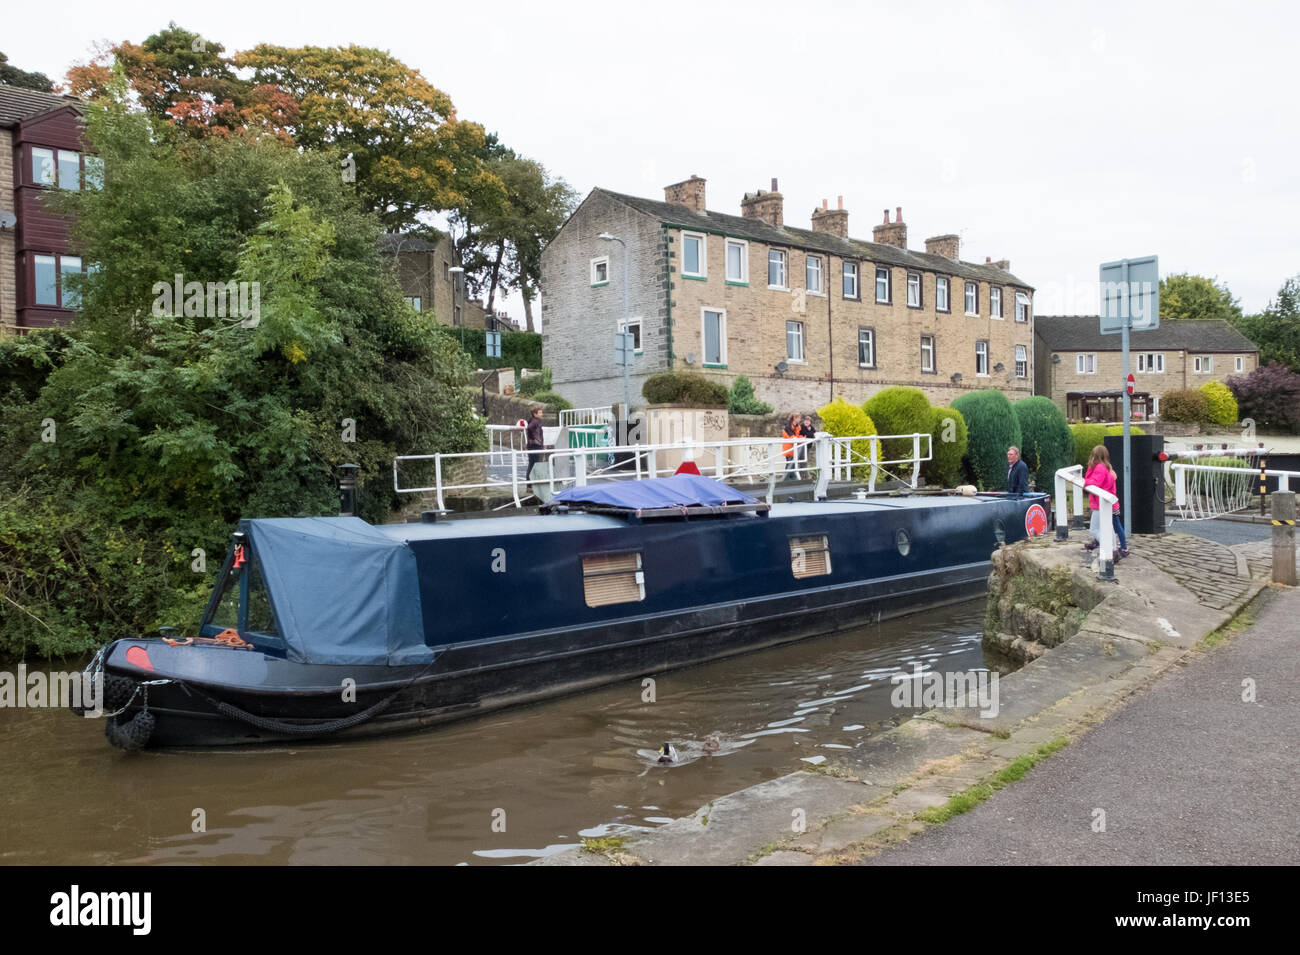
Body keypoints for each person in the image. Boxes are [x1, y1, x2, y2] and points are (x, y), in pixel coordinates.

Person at [1083, 445, 1117, 560]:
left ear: (1094, 456)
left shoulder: (1099, 468)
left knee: (1094, 529)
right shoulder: (1107, 467)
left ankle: (1108, 547)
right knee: (1109, 527)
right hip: (1106, 503)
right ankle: (1114, 550)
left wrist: (1084, 481)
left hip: (1100, 504)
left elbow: (1095, 482)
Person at [1108, 462, 1130, 560]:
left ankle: (1124, 548)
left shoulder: (1109, 477)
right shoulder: (1112, 475)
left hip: (1111, 506)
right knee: (1115, 525)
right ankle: (1124, 547)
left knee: (1116, 526)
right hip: (1114, 505)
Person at [524, 406, 546, 481]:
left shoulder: (534, 420)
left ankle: (529, 482)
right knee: (534, 464)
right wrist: (533, 438)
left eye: (541, 412)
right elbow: (529, 428)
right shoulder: (535, 421)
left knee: (532, 463)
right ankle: (530, 481)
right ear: (535, 414)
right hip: (535, 445)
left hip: (533, 445)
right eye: (540, 413)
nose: (541, 414)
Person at [781, 412, 800, 481]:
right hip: (789, 448)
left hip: (794, 448)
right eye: (798, 418)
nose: (800, 419)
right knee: (789, 462)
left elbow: (798, 435)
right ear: (794, 418)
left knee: (792, 463)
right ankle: (786, 478)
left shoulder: (797, 426)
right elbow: (791, 437)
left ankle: (791, 477)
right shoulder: (787, 427)